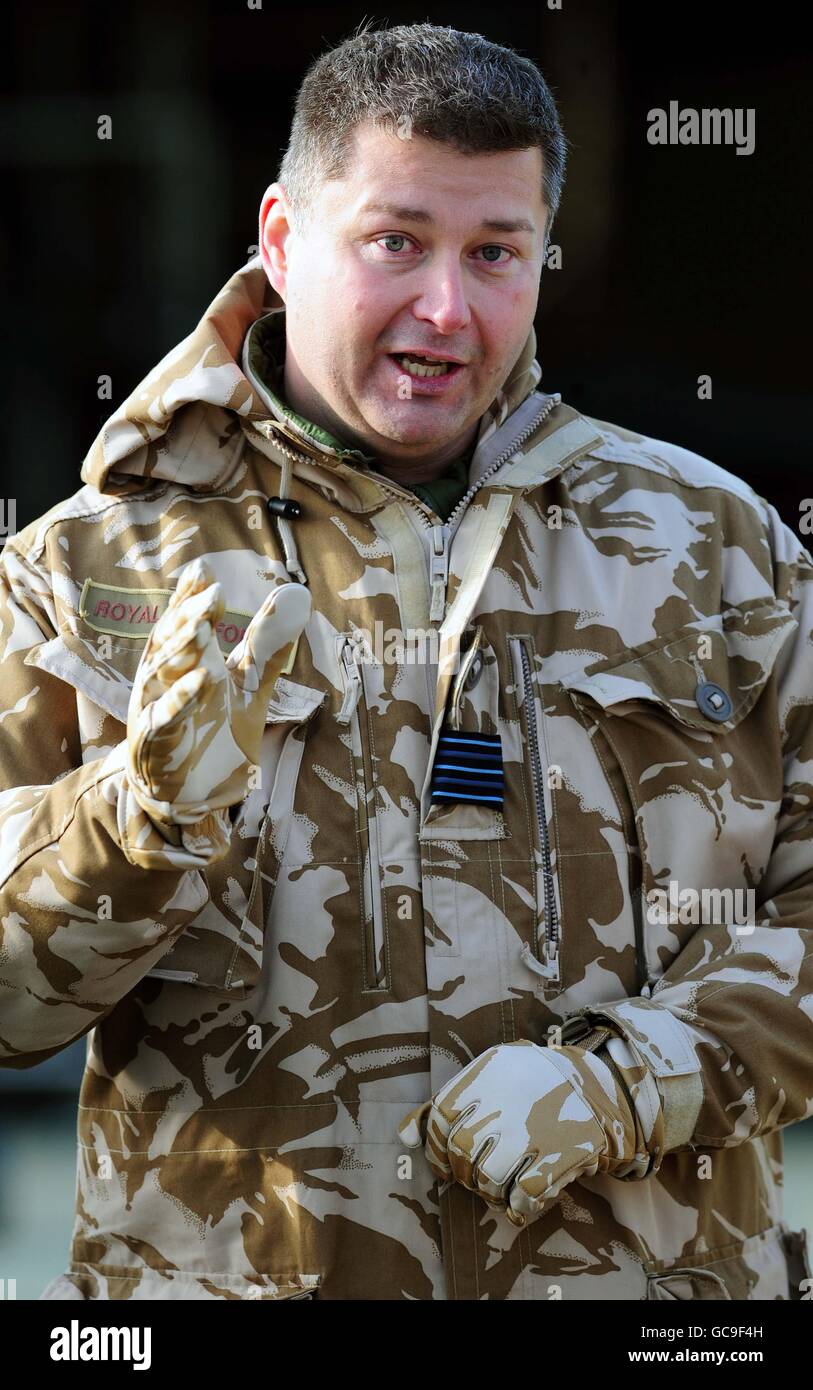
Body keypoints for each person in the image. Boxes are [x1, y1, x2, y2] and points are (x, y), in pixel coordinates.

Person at [1, 20, 811, 1302]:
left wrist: (633, 1077)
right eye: (396, 242)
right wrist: (141, 817)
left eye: (496, 253)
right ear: (279, 239)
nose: (446, 308)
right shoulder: (90, 572)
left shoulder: (720, 551)